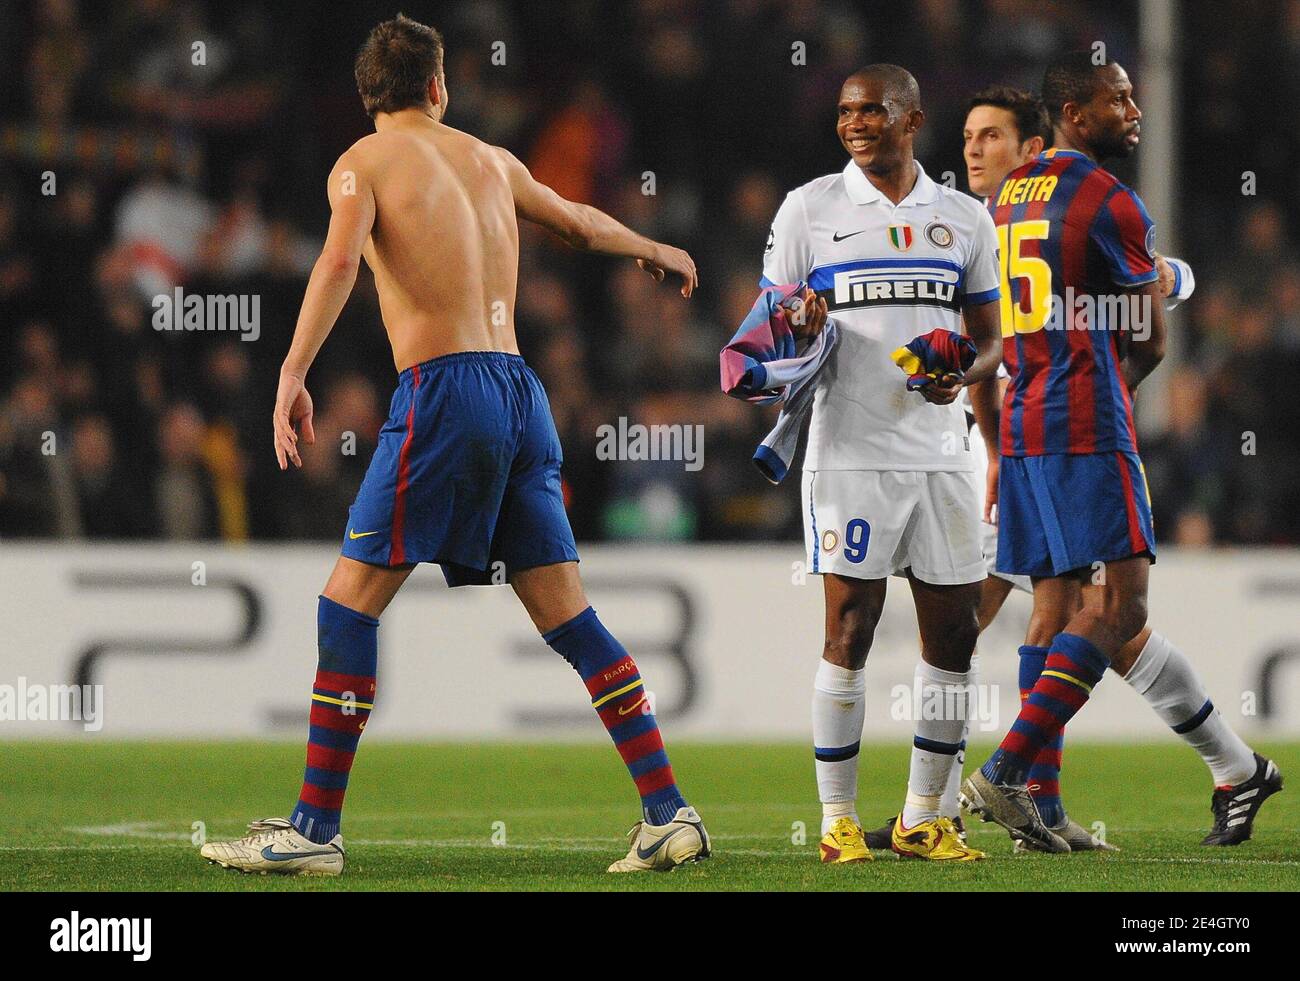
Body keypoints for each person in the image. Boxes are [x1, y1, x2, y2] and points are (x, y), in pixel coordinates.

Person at [200, 14, 709, 876]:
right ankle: (668, 810)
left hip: (445, 393)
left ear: (369, 99)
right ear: (440, 87)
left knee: (347, 604)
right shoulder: (492, 159)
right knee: (570, 616)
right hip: (521, 393)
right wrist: (651, 244)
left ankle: (314, 830)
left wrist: (290, 372)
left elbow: (336, 264)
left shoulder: (361, 163)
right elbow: (581, 221)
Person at [868, 86, 1279, 852]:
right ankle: (996, 794)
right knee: (1078, 613)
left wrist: (992, 434)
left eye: (989, 136)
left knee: (1033, 614)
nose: (973, 151)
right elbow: (1144, 316)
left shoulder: (1005, 215)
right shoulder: (1023, 211)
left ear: (1032, 146)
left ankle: (974, 805)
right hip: (1025, 435)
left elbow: (1125, 296)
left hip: (1012, 435)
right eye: (966, 137)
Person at [761, 64, 1003, 863]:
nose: (855, 123)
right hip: (849, 449)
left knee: (954, 635)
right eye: (845, 112)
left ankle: (921, 816)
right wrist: (796, 320)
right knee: (850, 626)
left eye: (872, 110)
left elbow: (994, 339)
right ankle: (837, 820)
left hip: (943, 451)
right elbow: (772, 328)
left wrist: (958, 375)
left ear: (912, 118)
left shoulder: (964, 218)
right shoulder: (810, 208)